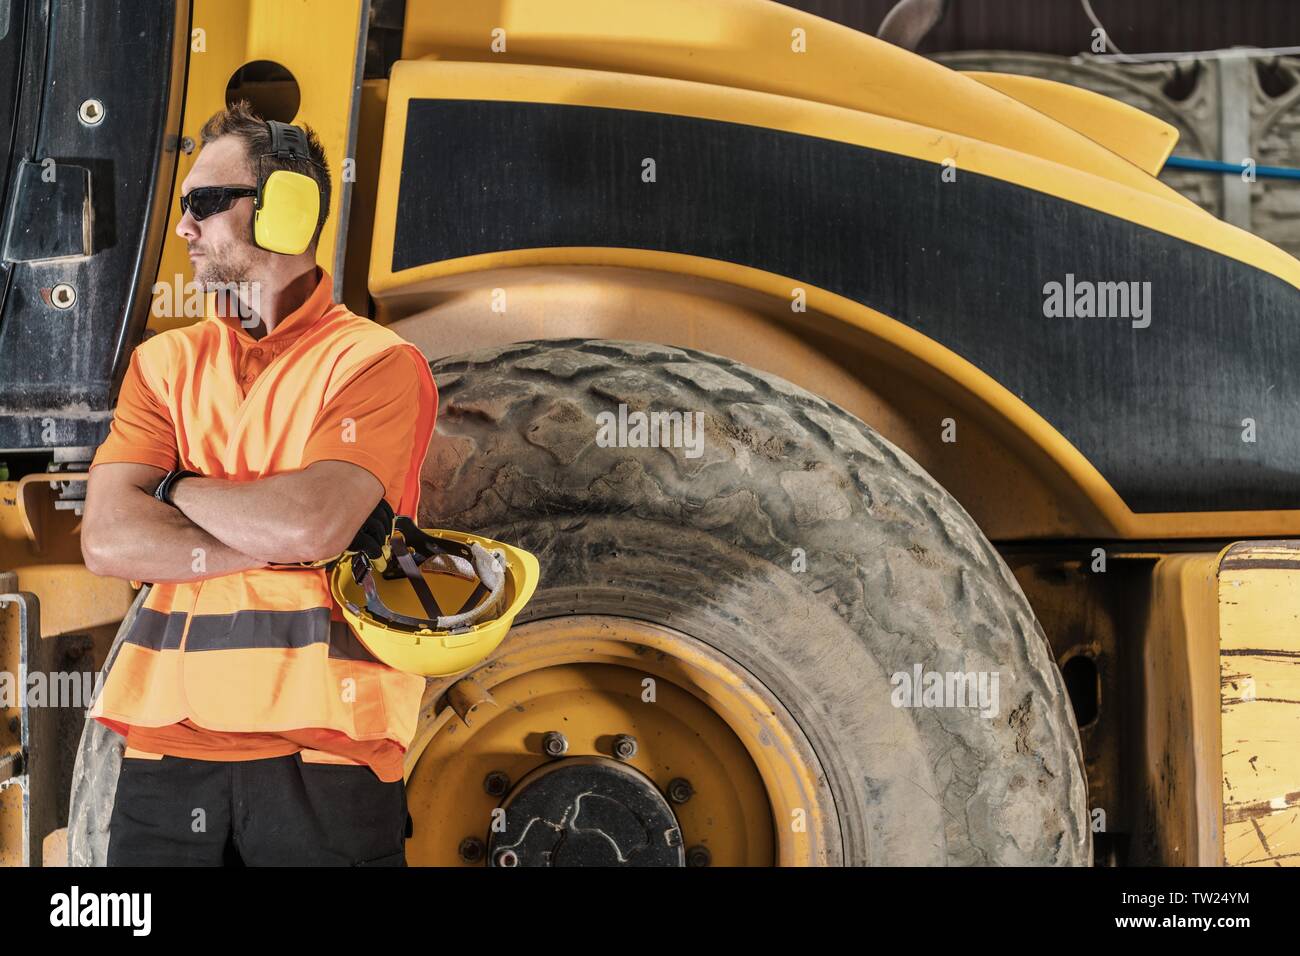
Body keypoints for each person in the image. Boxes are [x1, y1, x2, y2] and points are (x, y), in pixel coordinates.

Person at [79, 100, 438, 866]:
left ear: (287, 212)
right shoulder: (164, 364)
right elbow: (108, 539)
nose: (184, 229)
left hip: (323, 758)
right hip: (165, 756)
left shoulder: (372, 363)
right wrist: (279, 535)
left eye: (204, 205)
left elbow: (310, 524)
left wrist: (171, 489)